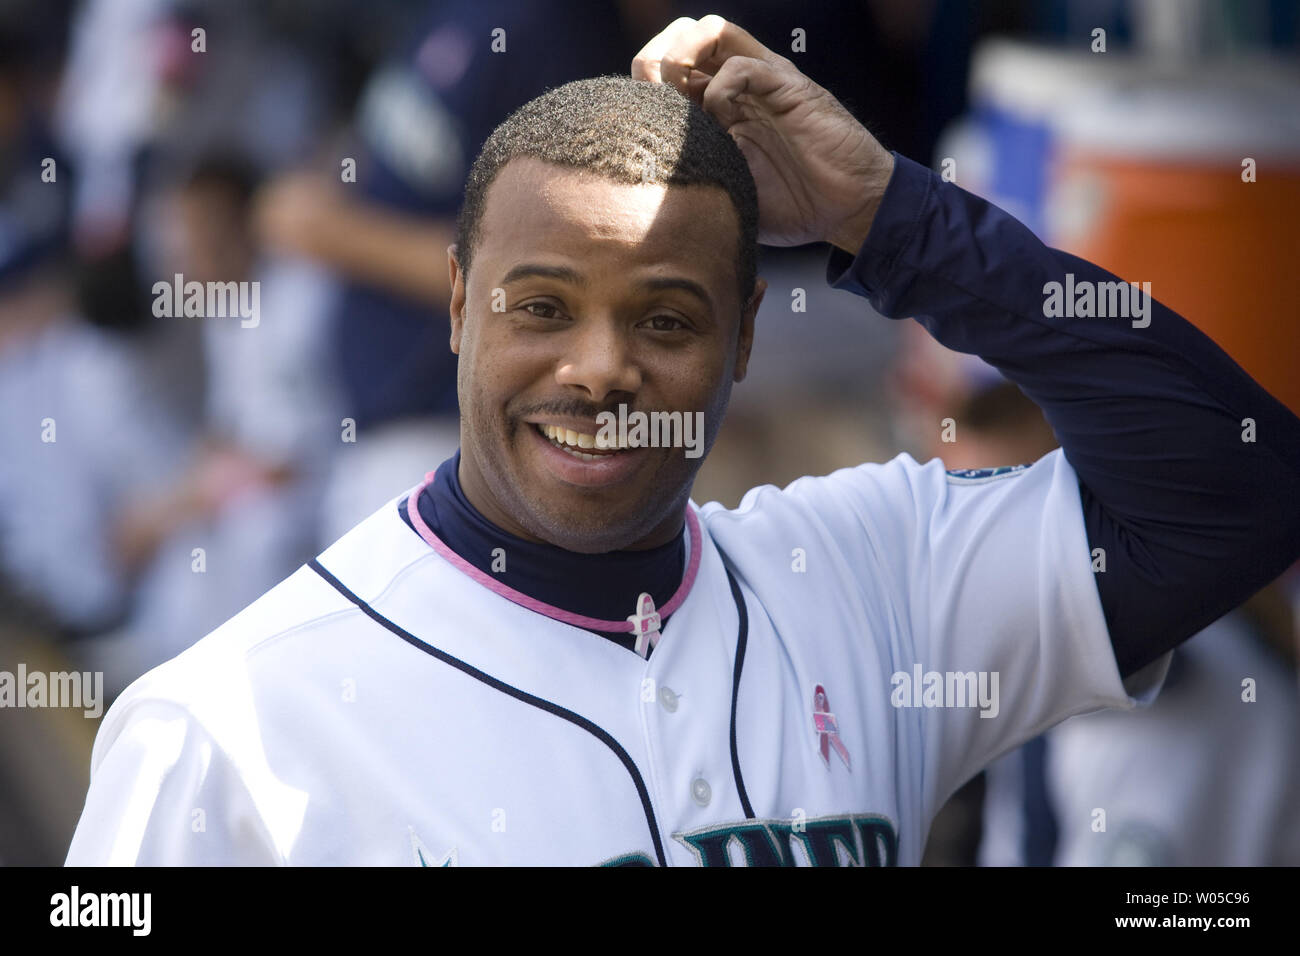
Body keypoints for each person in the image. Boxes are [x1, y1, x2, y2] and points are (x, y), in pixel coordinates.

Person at [66, 16, 1300, 866]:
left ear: (746, 332)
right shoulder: (228, 725)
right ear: (456, 305)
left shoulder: (876, 579)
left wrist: (889, 217)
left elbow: (1238, 488)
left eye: (666, 315)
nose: (601, 367)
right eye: (540, 305)